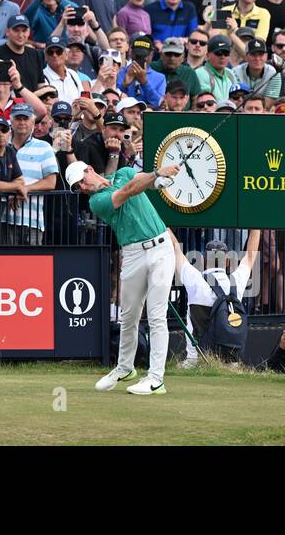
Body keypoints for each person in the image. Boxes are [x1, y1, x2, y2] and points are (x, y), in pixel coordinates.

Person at [67, 157, 181, 396]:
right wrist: (157, 173)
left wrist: (159, 179)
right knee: (128, 317)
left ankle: (156, 379)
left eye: (82, 181)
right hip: (132, 255)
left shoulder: (125, 172)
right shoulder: (97, 202)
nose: (83, 188)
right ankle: (124, 368)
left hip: (161, 249)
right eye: (78, 187)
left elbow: (143, 182)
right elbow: (129, 190)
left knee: (157, 314)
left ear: (91, 169)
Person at [171, 229, 262, 366]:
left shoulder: (194, 280)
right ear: (227, 262)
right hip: (230, 364)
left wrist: (163, 224)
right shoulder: (236, 281)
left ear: (202, 260)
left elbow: (175, 248)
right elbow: (250, 256)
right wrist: (257, 226)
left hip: (196, 362)